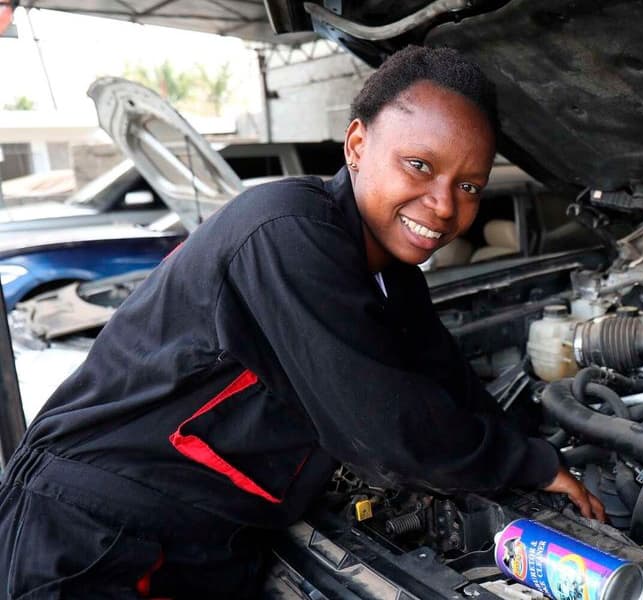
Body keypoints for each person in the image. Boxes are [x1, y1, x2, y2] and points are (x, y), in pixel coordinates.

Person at [0, 46, 604, 599]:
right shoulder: (287, 231)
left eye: (469, 186)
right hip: (95, 533)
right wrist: (525, 464)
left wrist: (545, 457)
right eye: (420, 165)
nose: (445, 205)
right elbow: (386, 430)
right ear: (357, 144)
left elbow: (451, 384)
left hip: (212, 536)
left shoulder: (394, 280)